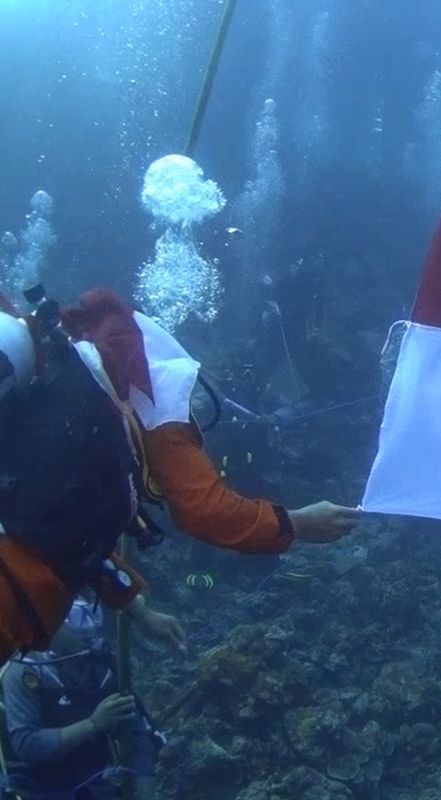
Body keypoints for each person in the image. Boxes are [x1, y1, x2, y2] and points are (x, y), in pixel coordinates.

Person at [0, 288, 361, 662]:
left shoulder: (73, 395)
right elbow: (205, 511)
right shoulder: (153, 396)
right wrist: (298, 523)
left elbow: (67, 534)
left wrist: (138, 609)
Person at [1, 596, 181, 799]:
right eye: (76, 618)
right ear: (54, 626)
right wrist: (93, 724)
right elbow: (27, 745)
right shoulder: (27, 670)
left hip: (93, 782)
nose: (88, 629)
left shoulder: (104, 666)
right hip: (34, 786)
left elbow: (137, 736)